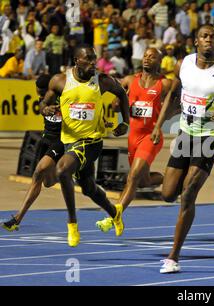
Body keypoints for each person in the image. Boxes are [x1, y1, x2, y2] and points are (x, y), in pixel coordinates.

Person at [151, 24, 214, 273]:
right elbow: (173, 97)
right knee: (167, 194)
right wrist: (159, 125)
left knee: (188, 193)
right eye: (205, 36)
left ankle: (173, 257)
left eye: (213, 37)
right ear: (196, 41)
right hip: (186, 132)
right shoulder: (182, 64)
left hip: (209, 135)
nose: (209, 40)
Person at [40, 45, 130, 247]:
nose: (93, 63)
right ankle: (114, 212)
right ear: (76, 60)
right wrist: (46, 109)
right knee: (89, 189)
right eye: (88, 59)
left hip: (91, 142)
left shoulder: (102, 80)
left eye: (94, 59)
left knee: (62, 171)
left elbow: (122, 94)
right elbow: (41, 106)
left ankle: (72, 224)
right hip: (69, 142)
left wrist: (125, 122)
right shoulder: (60, 81)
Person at [95, 48, 170, 232]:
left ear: (159, 61)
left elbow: (175, 106)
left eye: (152, 56)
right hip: (133, 138)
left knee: (133, 176)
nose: (147, 58)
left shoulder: (165, 84)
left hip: (151, 137)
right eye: (145, 55)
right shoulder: (130, 80)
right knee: (142, 181)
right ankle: (173, 181)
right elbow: (115, 100)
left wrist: (161, 121)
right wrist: (115, 107)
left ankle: (114, 215)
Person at [2, 74, 64, 231]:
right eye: (39, 94)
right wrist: (45, 108)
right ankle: (64, 173)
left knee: (38, 172)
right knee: (47, 182)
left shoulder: (64, 95)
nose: (41, 97)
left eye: (42, 93)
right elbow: (42, 108)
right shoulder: (43, 100)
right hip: (46, 140)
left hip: (61, 141)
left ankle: (17, 218)